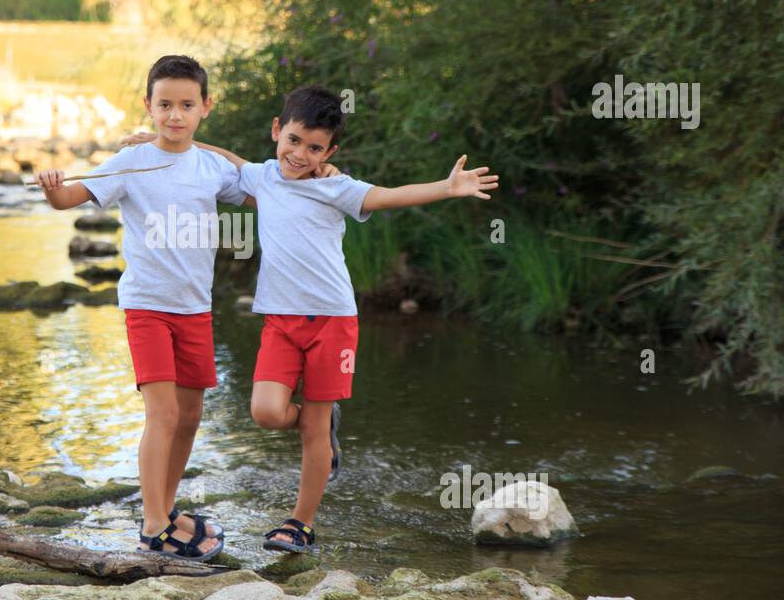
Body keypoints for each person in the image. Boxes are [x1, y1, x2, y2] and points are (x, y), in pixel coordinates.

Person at [142, 83, 499, 553]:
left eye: (314, 148)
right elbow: (226, 159)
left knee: (312, 427)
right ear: (277, 132)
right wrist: (166, 144)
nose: (300, 154)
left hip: (332, 321)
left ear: (330, 151)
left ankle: (300, 522)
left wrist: (447, 188)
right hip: (280, 322)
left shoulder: (337, 187)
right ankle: (323, 425)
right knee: (267, 412)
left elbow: (389, 196)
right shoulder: (263, 178)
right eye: (293, 141)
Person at [33, 54, 244, 561]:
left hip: (195, 307)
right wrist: (51, 185)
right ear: (147, 106)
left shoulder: (212, 167)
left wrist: (319, 170)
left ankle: (166, 510)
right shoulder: (131, 162)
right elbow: (68, 200)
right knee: (164, 412)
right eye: (165, 105)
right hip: (147, 305)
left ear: (205, 107)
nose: (175, 115)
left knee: (191, 415)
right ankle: (153, 527)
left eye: (187, 105)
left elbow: (261, 181)